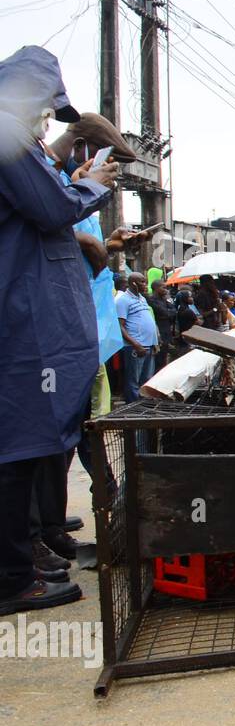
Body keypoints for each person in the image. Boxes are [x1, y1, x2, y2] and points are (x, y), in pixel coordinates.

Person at [0, 45, 117, 614]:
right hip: (19, 322)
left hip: (24, 318)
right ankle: (11, 576)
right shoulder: (7, 135)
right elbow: (51, 210)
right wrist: (92, 183)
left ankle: (18, 561)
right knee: (16, 448)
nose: (47, 119)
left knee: (23, 446)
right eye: (47, 108)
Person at [116, 272, 159, 402]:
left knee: (146, 380)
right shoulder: (122, 300)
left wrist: (155, 342)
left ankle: (143, 406)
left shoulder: (142, 298)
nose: (145, 285)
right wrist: (136, 344)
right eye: (142, 282)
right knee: (133, 381)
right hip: (136, 347)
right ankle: (132, 408)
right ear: (133, 283)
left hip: (149, 346)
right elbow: (120, 326)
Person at [147, 279, 178, 368]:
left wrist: (168, 313)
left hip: (166, 332)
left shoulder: (164, 299)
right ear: (156, 288)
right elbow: (164, 313)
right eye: (163, 287)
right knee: (158, 360)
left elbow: (174, 311)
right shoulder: (151, 300)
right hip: (159, 334)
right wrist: (167, 313)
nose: (166, 289)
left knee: (164, 358)